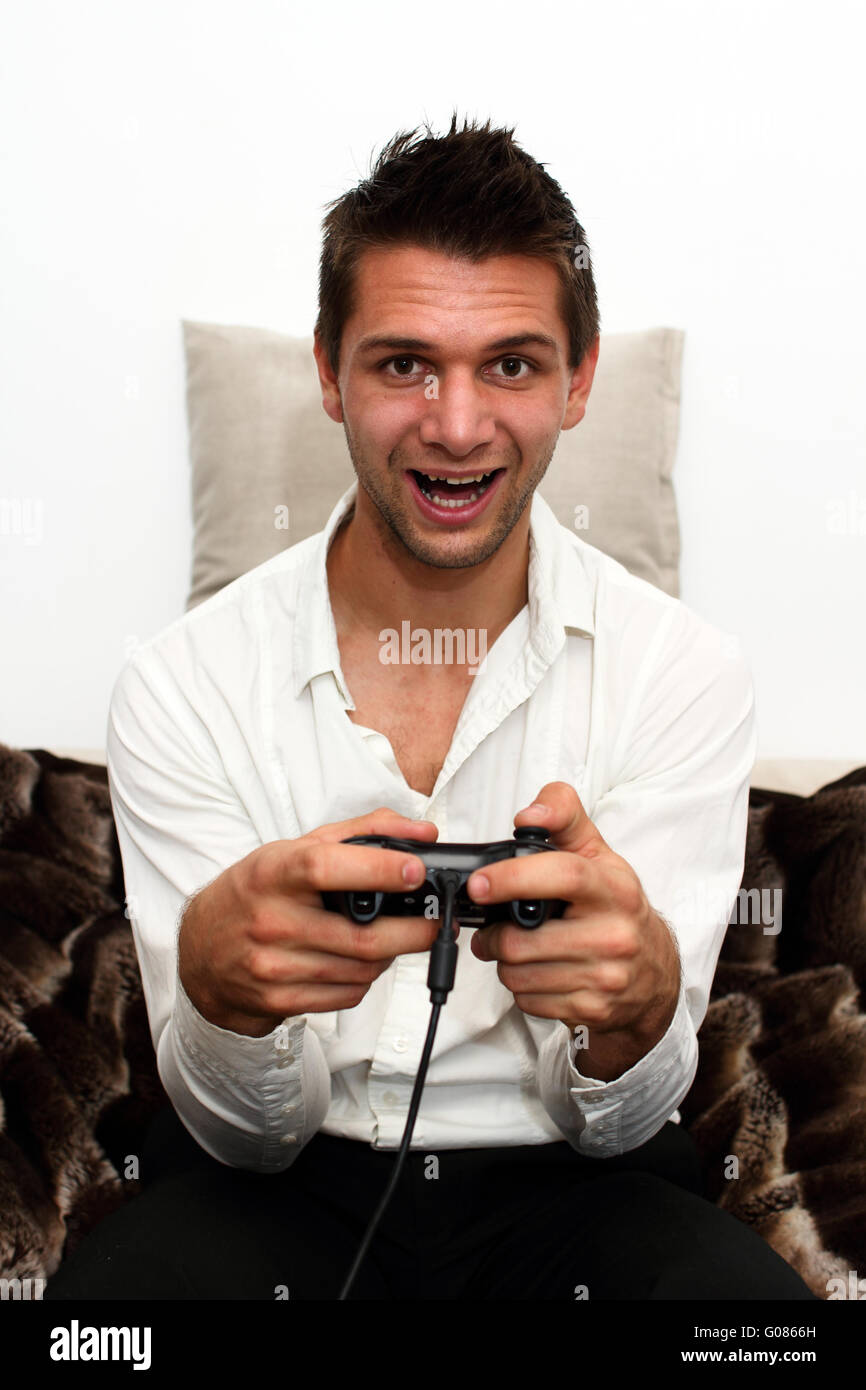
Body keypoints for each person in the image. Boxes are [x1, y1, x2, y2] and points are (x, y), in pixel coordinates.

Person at [46, 114, 817, 1301]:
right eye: (403, 363)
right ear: (327, 371)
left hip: (579, 1190)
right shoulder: (180, 682)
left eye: (509, 363)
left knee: (756, 1328)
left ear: (579, 378)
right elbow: (250, 1134)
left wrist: (639, 1012)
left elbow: (616, 1126)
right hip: (283, 1187)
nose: (455, 429)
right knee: (104, 1324)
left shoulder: (683, 672)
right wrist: (216, 993)